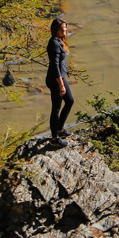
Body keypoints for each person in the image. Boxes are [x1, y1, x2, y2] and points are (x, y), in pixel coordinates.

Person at [46, 17, 74, 146]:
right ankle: (54, 139)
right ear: (56, 30)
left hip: (60, 78)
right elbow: (54, 65)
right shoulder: (54, 44)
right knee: (56, 108)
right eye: (63, 29)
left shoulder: (58, 42)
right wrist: (61, 85)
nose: (65, 30)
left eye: (66, 28)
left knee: (69, 101)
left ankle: (59, 129)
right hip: (56, 79)